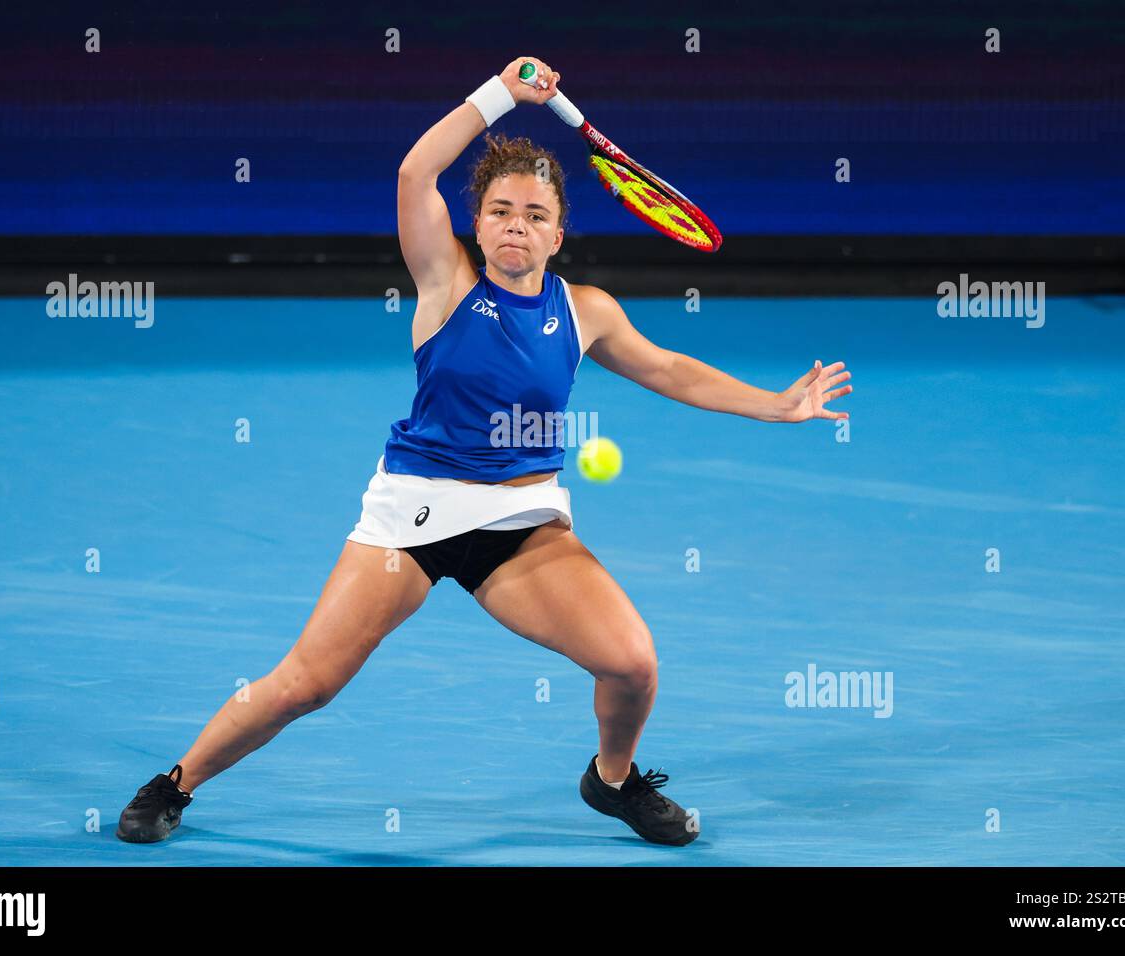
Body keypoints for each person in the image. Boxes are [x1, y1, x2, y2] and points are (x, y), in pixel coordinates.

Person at [116, 56, 852, 849]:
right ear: (478, 224)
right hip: (413, 515)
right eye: (500, 210)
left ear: (558, 233)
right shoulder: (444, 280)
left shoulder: (586, 310)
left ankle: (611, 782)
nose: (515, 225)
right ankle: (175, 782)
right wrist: (500, 95)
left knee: (633, 663)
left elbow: (668, 369)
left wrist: (774, 405)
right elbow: (415, 169)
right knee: (308, 683)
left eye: (535, 214)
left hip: (522, 523)